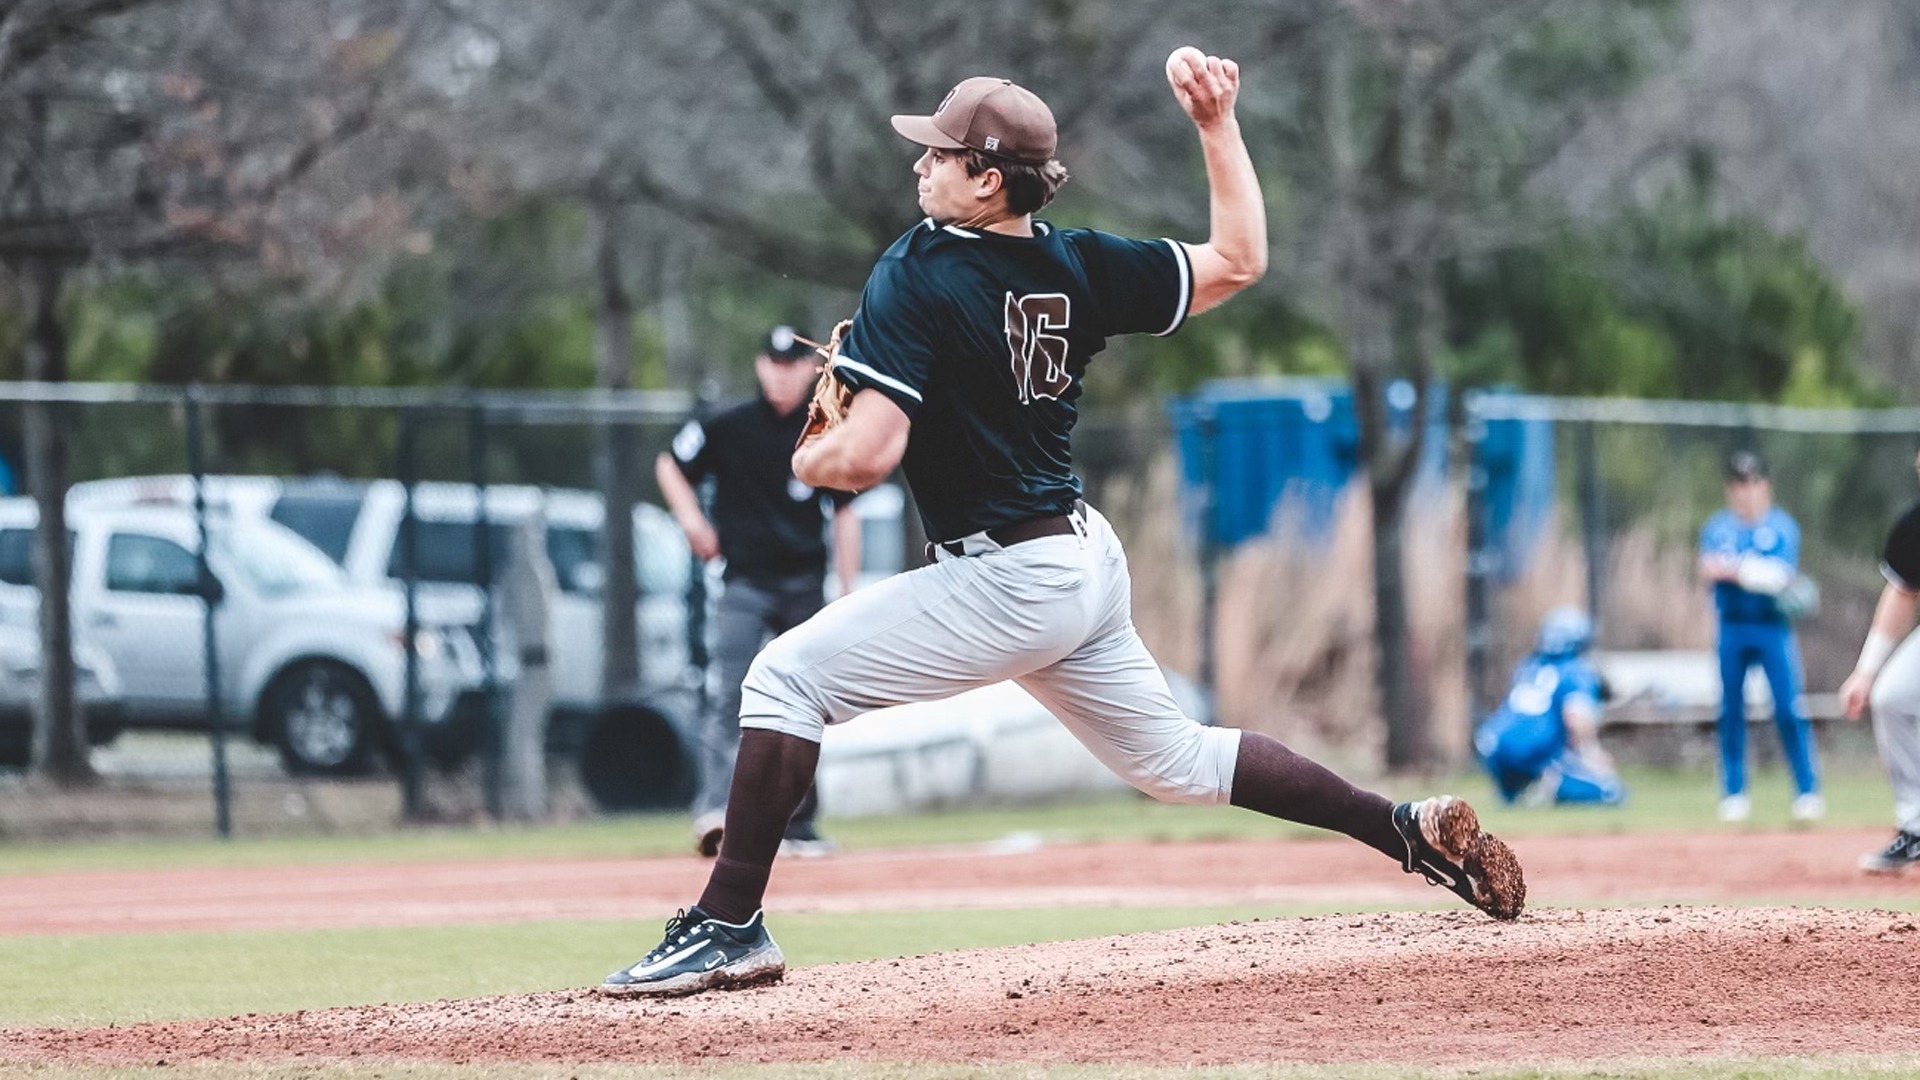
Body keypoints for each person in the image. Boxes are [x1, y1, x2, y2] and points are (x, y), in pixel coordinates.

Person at [599, 47, 1526, 999]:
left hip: (1005, 578)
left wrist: (808, 455)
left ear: (986, 179)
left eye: (939, 154)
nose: (920, 164)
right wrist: (1217, 126)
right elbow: (1240, 259)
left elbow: (868, 455)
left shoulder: (916, 270)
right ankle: (1402, 829)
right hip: (1082, 559)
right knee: (1174, 761)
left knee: (782, 677)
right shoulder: (1078, 261)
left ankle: (728, 925)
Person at [656, 326, 862, 859]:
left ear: (811, 370)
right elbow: (670, 465)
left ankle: (798, 822)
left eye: (792, 364)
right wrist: (691, 523)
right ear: (760, 366)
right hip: (745, 582)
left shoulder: (822, 430)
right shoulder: (729, 425)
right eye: (772, 363)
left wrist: (847, 589)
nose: (780, 373)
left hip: (801, 583)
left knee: (807, 701)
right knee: (730, 694)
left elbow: (844, 514)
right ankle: (714, 811)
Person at [1698, 450, 1822, 823]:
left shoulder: (1782, 526)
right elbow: (1707, 570)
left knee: (1788, 708)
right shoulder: (1717, 527)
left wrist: (1735, 570)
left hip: (1771, 627)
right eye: (1739, 484)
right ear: (1730, 489)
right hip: (1733, 626)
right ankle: (1734, 793)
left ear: (1764, 486)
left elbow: (1780, 578)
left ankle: (1807, 790)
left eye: (1752, 483)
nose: (1746, 491)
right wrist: (1751, 572)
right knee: (1731, 711)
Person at [1840, 448, 1920, 872]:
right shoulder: (1914, 524)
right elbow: (1903, 591)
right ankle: (1916, 829)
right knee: (1892, 696)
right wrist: (1865, 671)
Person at [1474, 607, 1623, 807]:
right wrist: (1592, 757)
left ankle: (1520, 791)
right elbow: (1576, 718)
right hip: (1533, 752)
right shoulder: (1576, 670)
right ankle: (1546, 787)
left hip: (1491, 746)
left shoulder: (1528, 665)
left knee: (1515, 799)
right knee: (1611, 792)